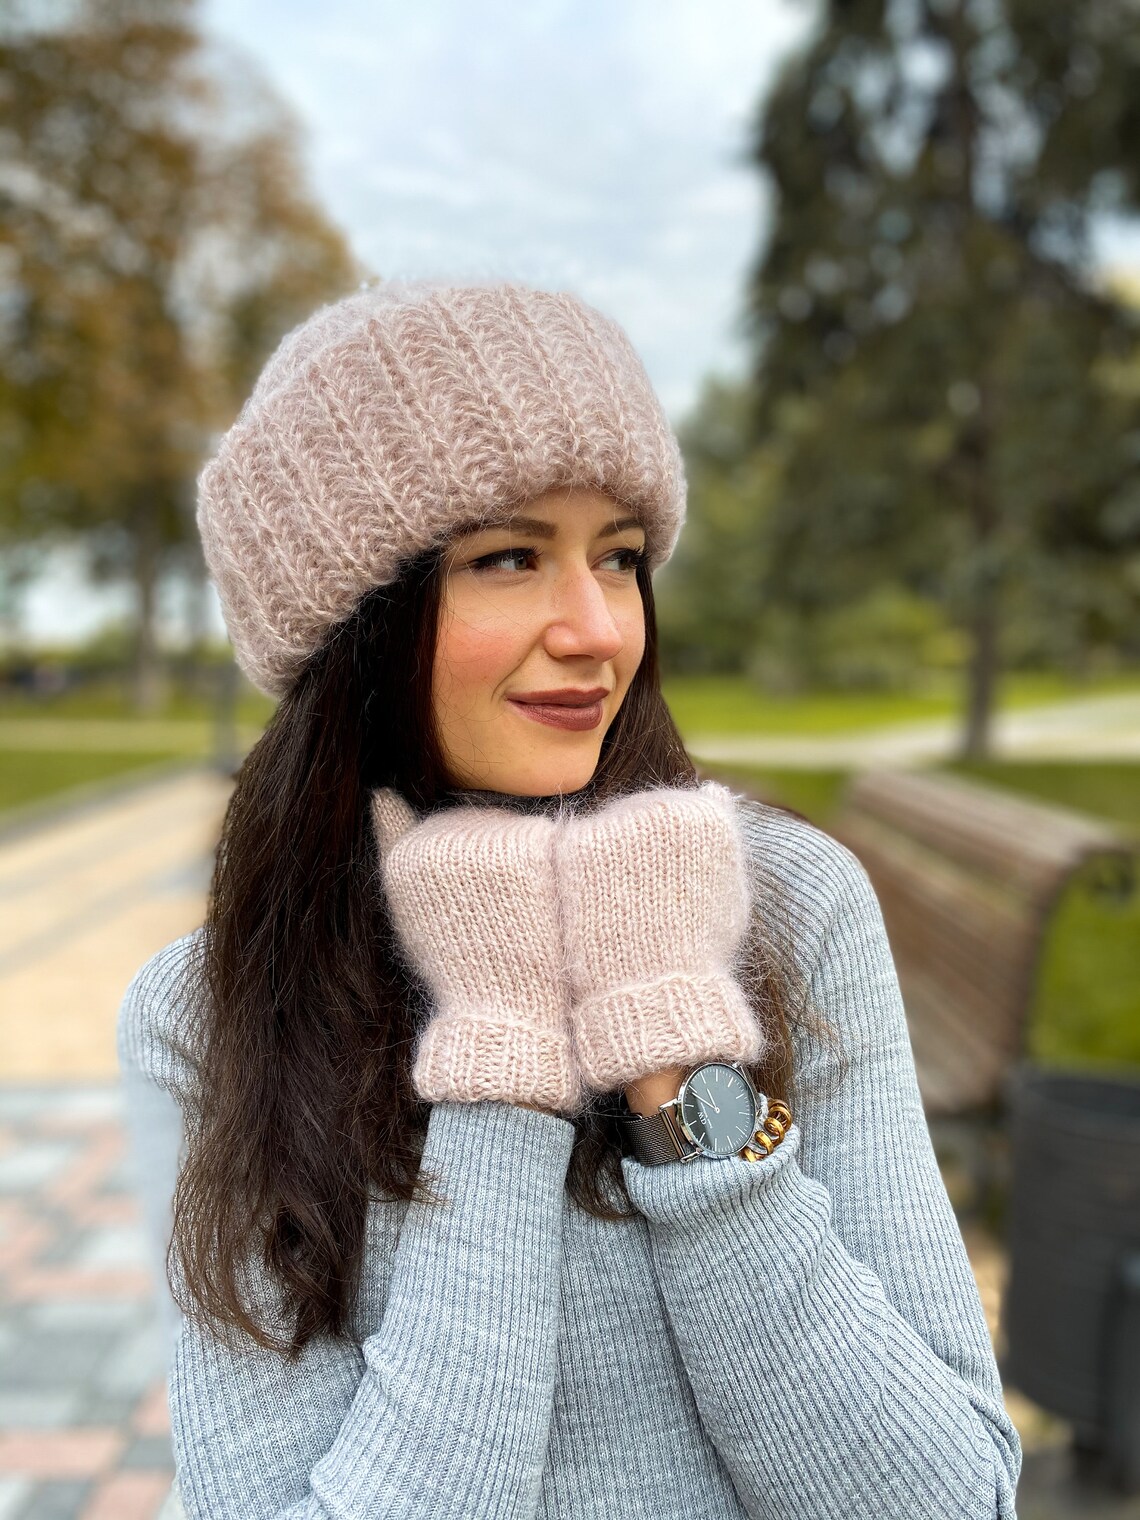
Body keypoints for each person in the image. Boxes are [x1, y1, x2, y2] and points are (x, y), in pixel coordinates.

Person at [118, 279, 1022, 1519]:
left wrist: (669, 1045)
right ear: (351, 625)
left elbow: (948, 1499)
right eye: (507, 556)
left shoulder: (794, 906)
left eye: (621, 556)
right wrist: (497, 1054)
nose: (598, 628)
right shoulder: (204, 1014)